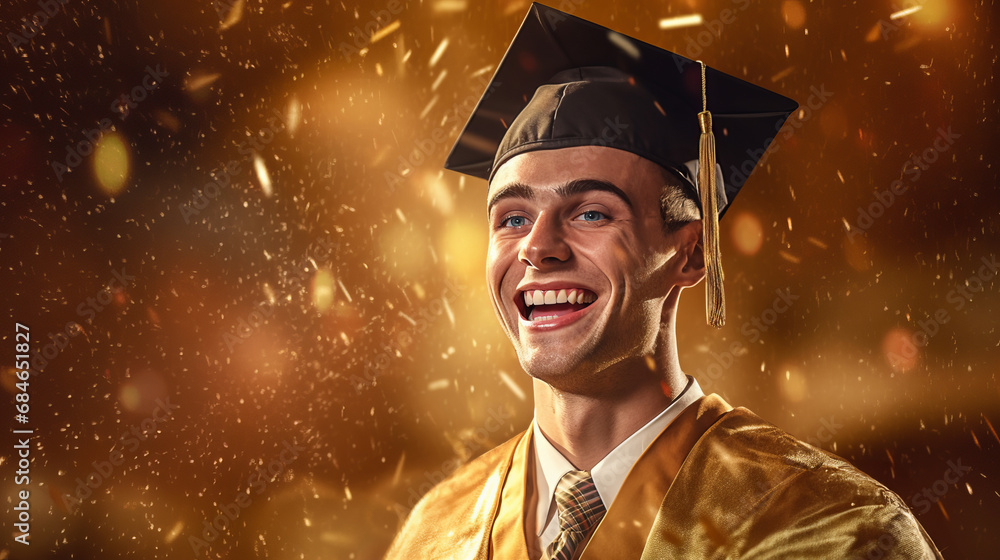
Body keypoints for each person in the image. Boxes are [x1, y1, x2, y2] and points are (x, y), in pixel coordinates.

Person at [386, 4, 943, 559]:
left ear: (693, 251)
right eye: (512, 219)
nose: (537, 247)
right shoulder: (436, 530)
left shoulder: (826, 527)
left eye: (592, 213)